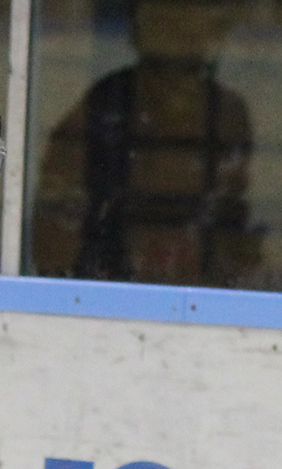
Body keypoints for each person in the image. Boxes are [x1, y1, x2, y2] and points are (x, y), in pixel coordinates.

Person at [33, 0, 261, 286]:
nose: (175, 85)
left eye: (191, 67)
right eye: (160, 68)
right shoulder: (102, 110)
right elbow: (51, 233)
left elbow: (233, 220)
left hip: (199, 297)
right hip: (108, 291)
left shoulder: (227, 116)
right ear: (138, 36)